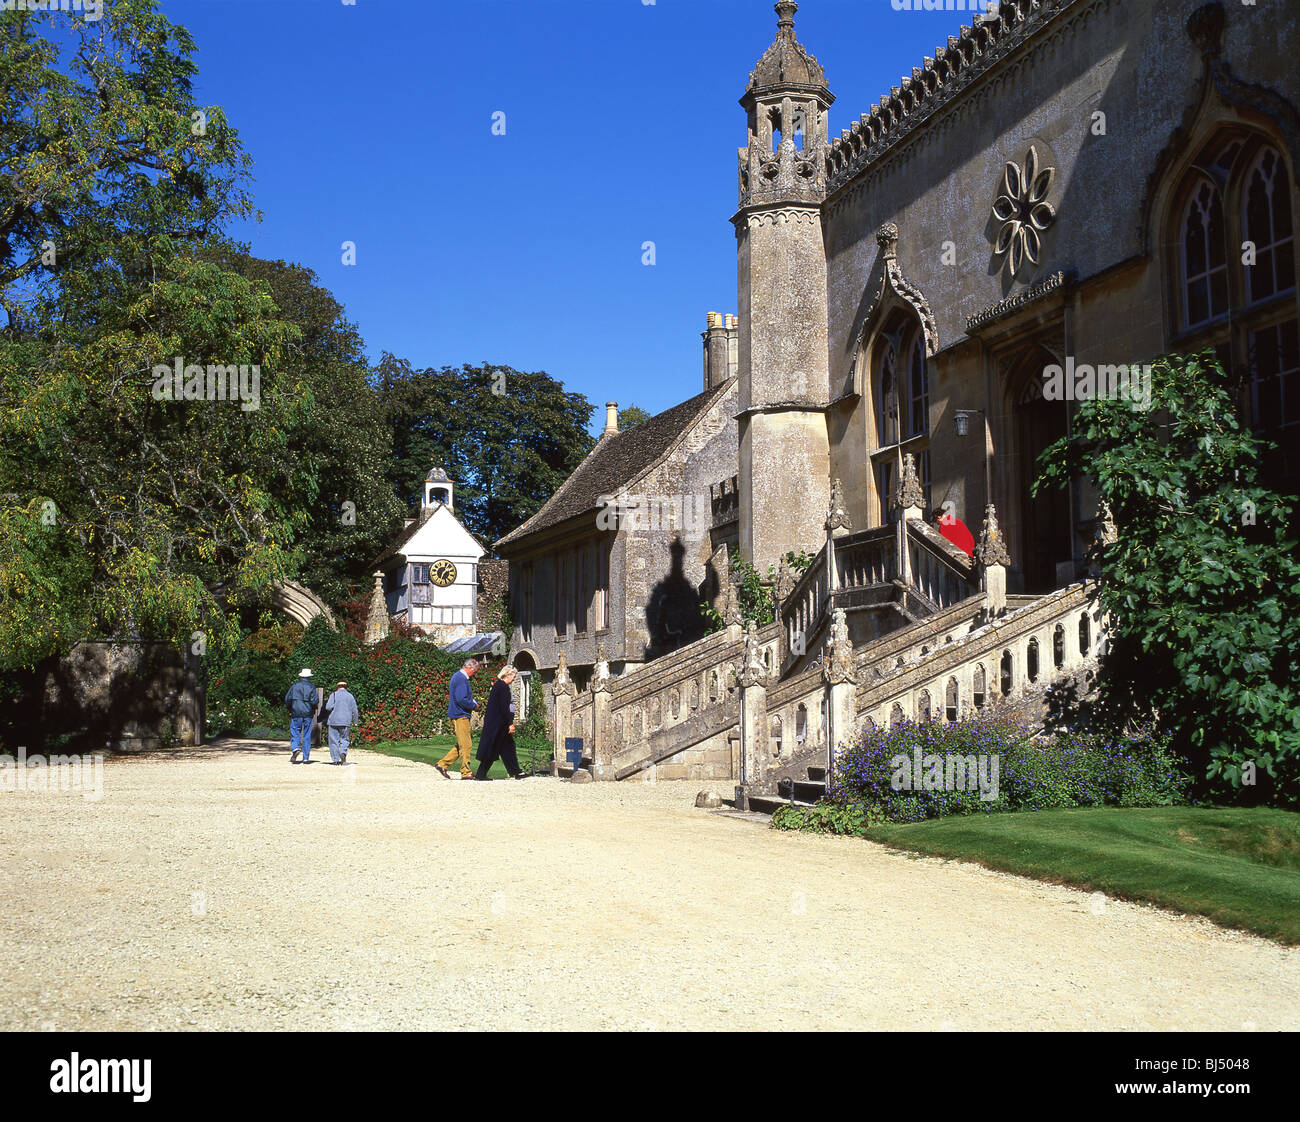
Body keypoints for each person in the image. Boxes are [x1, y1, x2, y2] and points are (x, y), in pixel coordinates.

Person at [475, 666, 524, 781]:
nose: (514, 679)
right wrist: (510, 723)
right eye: (513, 676)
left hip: (497, 723)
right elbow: (504, 708)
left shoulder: (498, 686)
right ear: (507, 675)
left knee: (507, 747)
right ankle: (481, 774)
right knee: (494, 748)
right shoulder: (503, 687)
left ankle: (516, 772)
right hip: (499, 724)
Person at [437, 658, 480, 780]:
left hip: (458, 714)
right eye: (475, 671)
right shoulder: (461, 679)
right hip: (460, 715)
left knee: (462, 743)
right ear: (470, 668)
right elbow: (461, 699)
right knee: (466, 745)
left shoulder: (457, 677)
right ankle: (466, 772)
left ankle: (442, 764)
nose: (474, 674)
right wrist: (474, 705)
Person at [285, 668, 317, 764]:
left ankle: (295, 748)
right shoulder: (312, 687)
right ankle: (306, 758)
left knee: (295, 731)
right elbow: (315, 701)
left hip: (296, 712)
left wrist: (290, 709)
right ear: (309, 677)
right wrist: (313, 709)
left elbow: (287, 699)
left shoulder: (294, 686)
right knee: (307, 734)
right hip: (308, 713)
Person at [324, 680, 359, 765]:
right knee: (344, 739)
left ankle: (335, 760)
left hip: (333, 721)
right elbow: (355, 710)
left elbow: (328, 707)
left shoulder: (334, 695)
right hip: (345, 721)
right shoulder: (350, 696)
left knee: (333, 741)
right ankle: (343, 752)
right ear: (346, 686)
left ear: (337, 686)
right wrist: (355, 721)